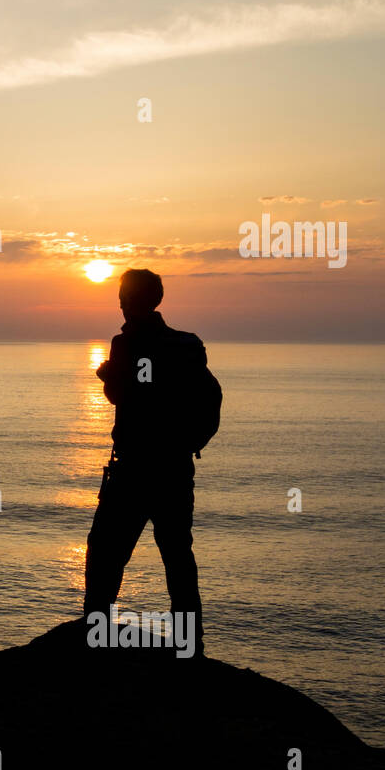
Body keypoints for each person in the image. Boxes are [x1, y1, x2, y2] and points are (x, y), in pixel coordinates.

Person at [85, 268, 217, 656]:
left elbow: (127, 395)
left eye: (126, 295)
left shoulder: (125, 345)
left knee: (106, 555)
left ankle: (96, 639)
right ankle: (189, 646)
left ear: (146, 299)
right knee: (177, 557)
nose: (122, 302)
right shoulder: (187, 345)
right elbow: (205, 394)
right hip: (174, 468)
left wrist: (110, 375)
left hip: (136, 469)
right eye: (121, 295)